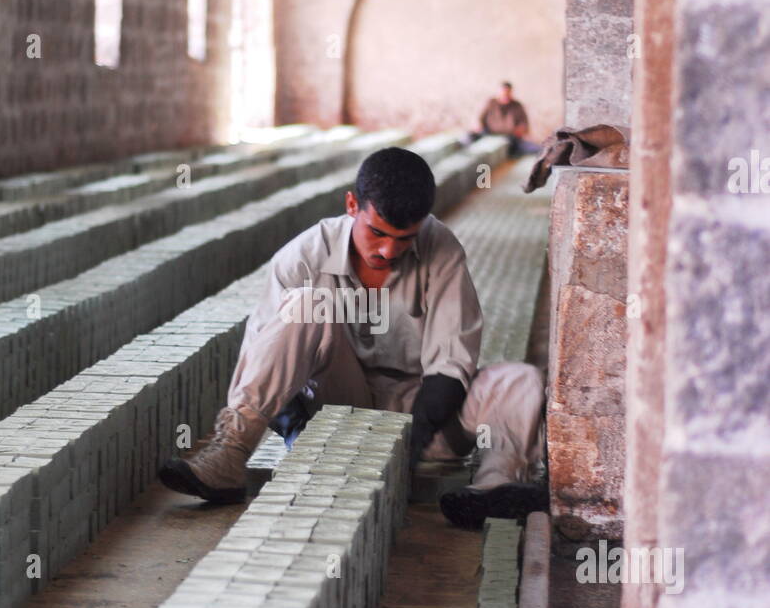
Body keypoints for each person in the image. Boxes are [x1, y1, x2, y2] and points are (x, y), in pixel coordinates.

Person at [158, 147, 547, 531]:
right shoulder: (304, 256)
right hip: (339, 410)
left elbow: (451, 361)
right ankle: (230, 453)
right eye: (376, 232)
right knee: (305, 305)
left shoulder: (441, 248)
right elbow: (267, 358)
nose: (387, 250)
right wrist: (304, 438)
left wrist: (408, 448)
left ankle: (497, 487)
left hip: (425, 413)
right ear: (351, 205)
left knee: (520, 381)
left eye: (404, 238)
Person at [473, 81, 540, 158]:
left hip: (510, 138)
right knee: (469, 138)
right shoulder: (491, 102)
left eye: (508, 92)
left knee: (536, 149)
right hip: (489, 135)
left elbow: (524, 124)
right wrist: (479, 125)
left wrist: (521, 129)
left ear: (511, 93)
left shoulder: (517, 105)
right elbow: (480, 118)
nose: (505, 95)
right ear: (499, 92)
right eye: (503, 92)